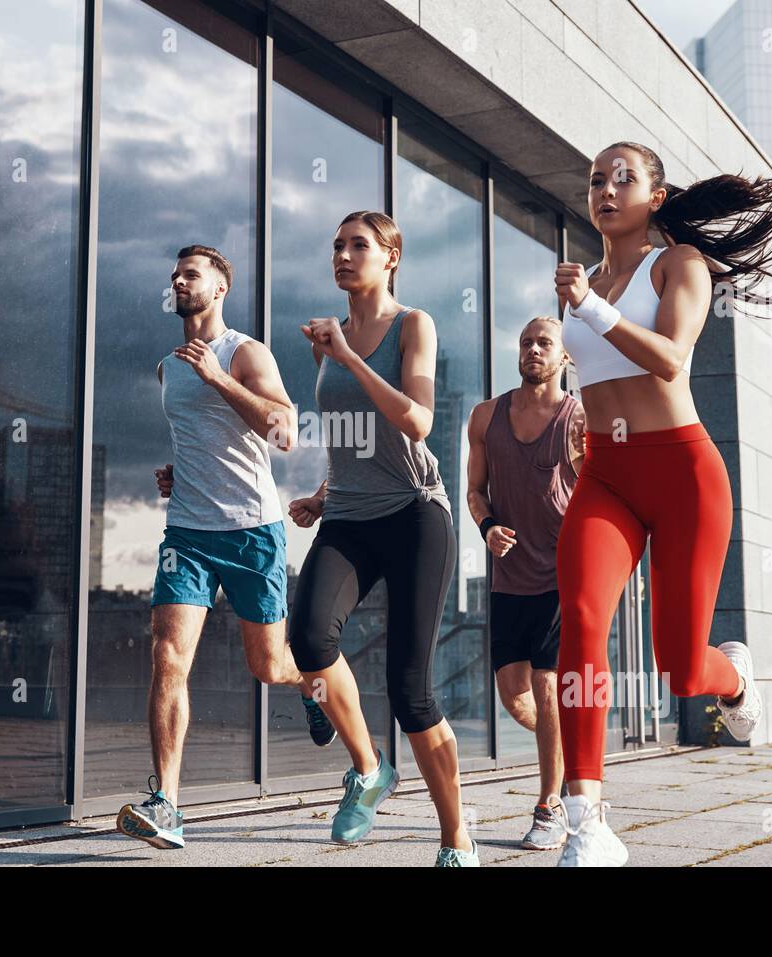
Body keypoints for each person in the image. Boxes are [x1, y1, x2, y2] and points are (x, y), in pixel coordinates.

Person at [551, 141, 772, 865]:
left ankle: (737, 677)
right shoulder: (585, 282)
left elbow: (668, 357)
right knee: (584, 622)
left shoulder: (677, 265)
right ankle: (585, 818)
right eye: (596, 178)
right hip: (606, 476)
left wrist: (590, 307)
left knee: (683, 669)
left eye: (624, 177)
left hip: (684, 473)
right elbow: (593, 378)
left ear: (656, 198)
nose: (606, 188)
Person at [116, 245, 334, 851]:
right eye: (175, 273)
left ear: (219, 289)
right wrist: (175, 472)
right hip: (186, 531)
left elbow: (285, 432)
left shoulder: (243, 352)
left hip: (251, 529)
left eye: (192, 274)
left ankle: (312, 688)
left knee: (268, 666)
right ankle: (167, 803)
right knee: (167, 656)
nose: (177, 280)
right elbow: (198, 439)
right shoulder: (168, 365)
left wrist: (216, 376)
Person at [287, 211, 477, 867]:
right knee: (308, 638)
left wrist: (345, 355)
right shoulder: (327, 338)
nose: (342, 253)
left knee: (410, 691)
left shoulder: (411, 326)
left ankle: (456, 835)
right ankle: (369, 769)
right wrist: (321, 491)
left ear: (390, 257)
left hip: (415, 513)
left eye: (357, 245)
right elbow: (350, 435)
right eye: (336, 244)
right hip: (348, 513)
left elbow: (416, 420)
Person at [466, 317, 585, 850]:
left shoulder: (579, 418)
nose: (533, 349)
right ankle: (571, 762)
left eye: (544, 343)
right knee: (515, 699)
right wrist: (488, 528)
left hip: (561, 575)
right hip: (509, 579)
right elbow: (474, 492)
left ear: (564, 358)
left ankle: (550, 805)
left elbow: (601, 490)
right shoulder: (485, 416)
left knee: (546, 686)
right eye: (526, 342)